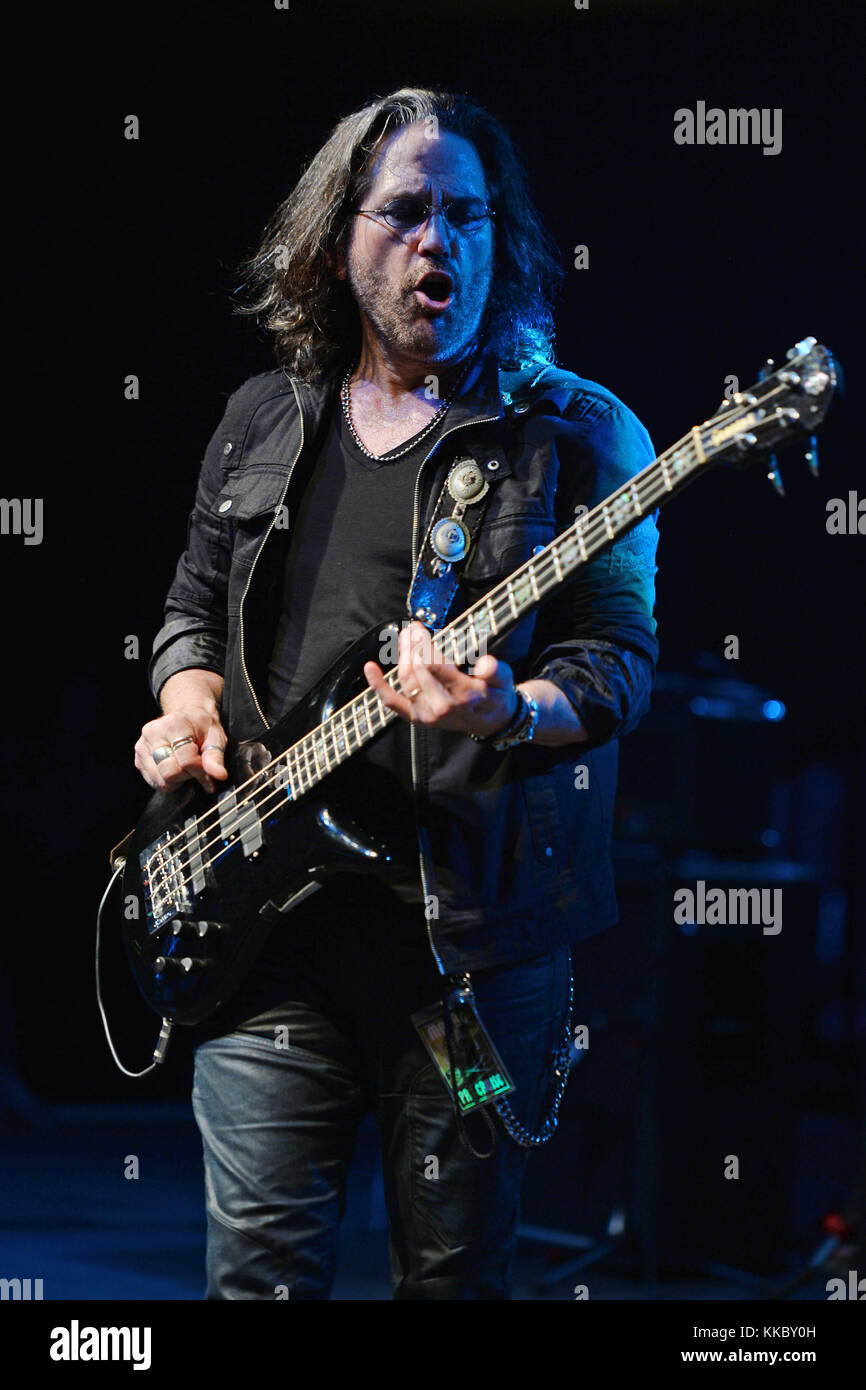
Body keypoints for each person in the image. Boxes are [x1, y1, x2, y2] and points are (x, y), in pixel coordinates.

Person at [134, 87, 660, 1300]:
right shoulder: (261, 418)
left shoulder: (578, 435)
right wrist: (187, 702)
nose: (442, 243)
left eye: (468, 216)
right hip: (263, 937)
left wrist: (503, 710)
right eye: (407, 213)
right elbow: (187, 614)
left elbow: (616, 664)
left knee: (452, 1277)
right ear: (337, 240)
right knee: (256, 1279)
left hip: (472, 961)